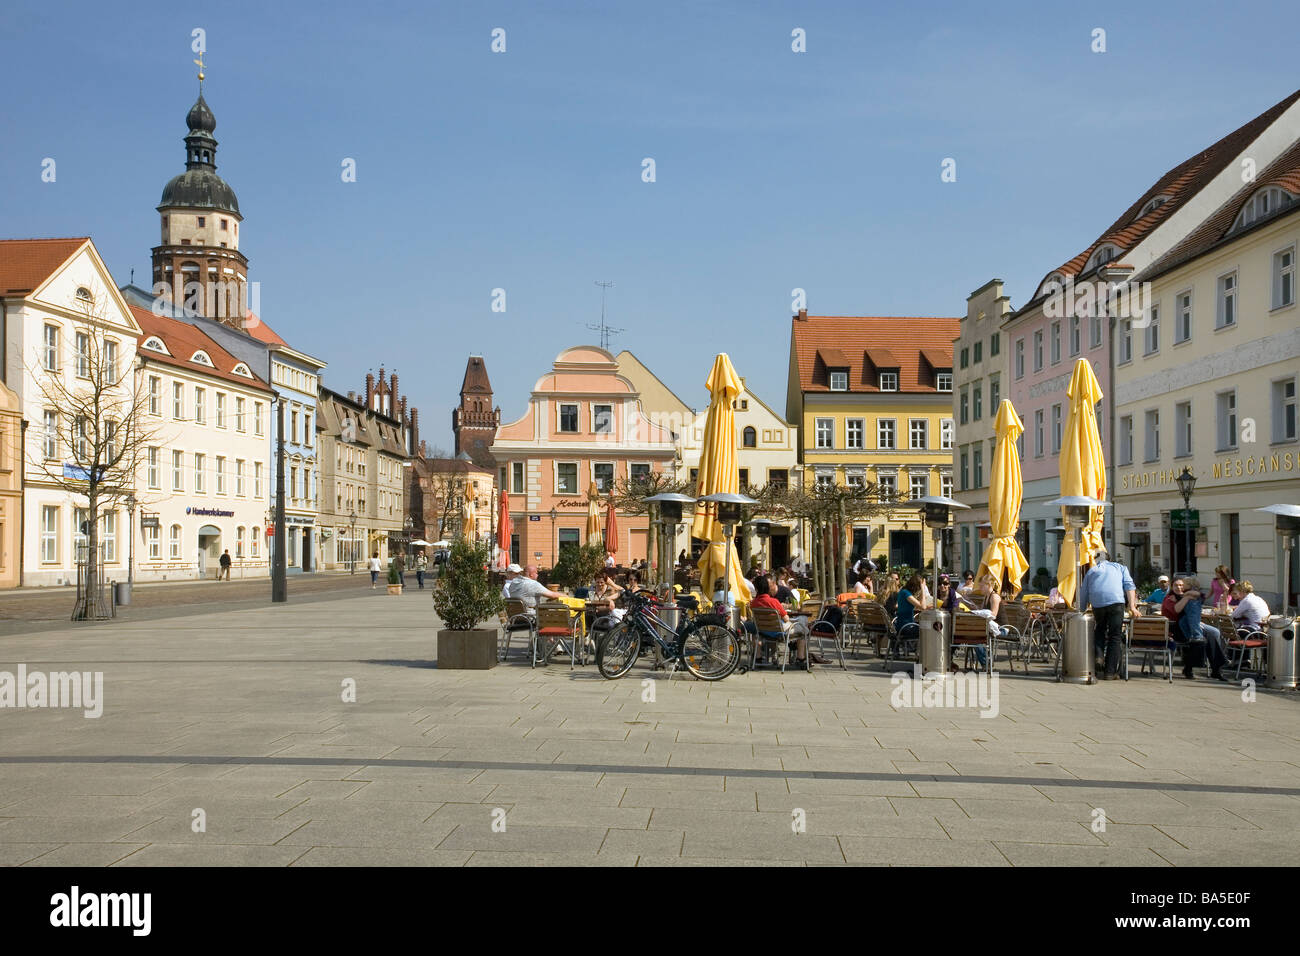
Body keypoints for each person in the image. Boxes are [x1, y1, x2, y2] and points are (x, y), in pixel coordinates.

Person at [1077, 547, 1139, 680]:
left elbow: (1084, 592)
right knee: (1115, 636)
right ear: (1109, 558)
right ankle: (1110, 672)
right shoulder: (1120, 568)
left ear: (1095, 560)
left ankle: (1099, 656)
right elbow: (1129, 586)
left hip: (1098, 604)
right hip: (1116, 603)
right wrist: (1132, 606)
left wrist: (1081, 609)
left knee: (1099, 630)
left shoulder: (1092, 571)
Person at [1161, 578, 1227, 681]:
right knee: (1198, 640)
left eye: (1181, 585)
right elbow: (1176, 610)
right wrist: (1186, 598)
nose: (1179, 587)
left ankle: (1216, 669)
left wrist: (1187, 595)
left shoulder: (1186, 595)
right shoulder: (1169, 598)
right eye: (1176, 585)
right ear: (1171, 587)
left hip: (1189, 627)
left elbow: (1200, 595)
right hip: (1174, 629)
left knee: (1209, 637)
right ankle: (1190, 668)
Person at [751, 574, 821, 665]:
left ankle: (758, 658)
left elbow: (797, 606)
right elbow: (786, 619)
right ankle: (801, 658)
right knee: (804, 629)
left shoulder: (754, 603)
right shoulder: (774, 602)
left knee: (801, 622)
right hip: (779, 631)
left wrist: (787, 606)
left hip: (763, 631)